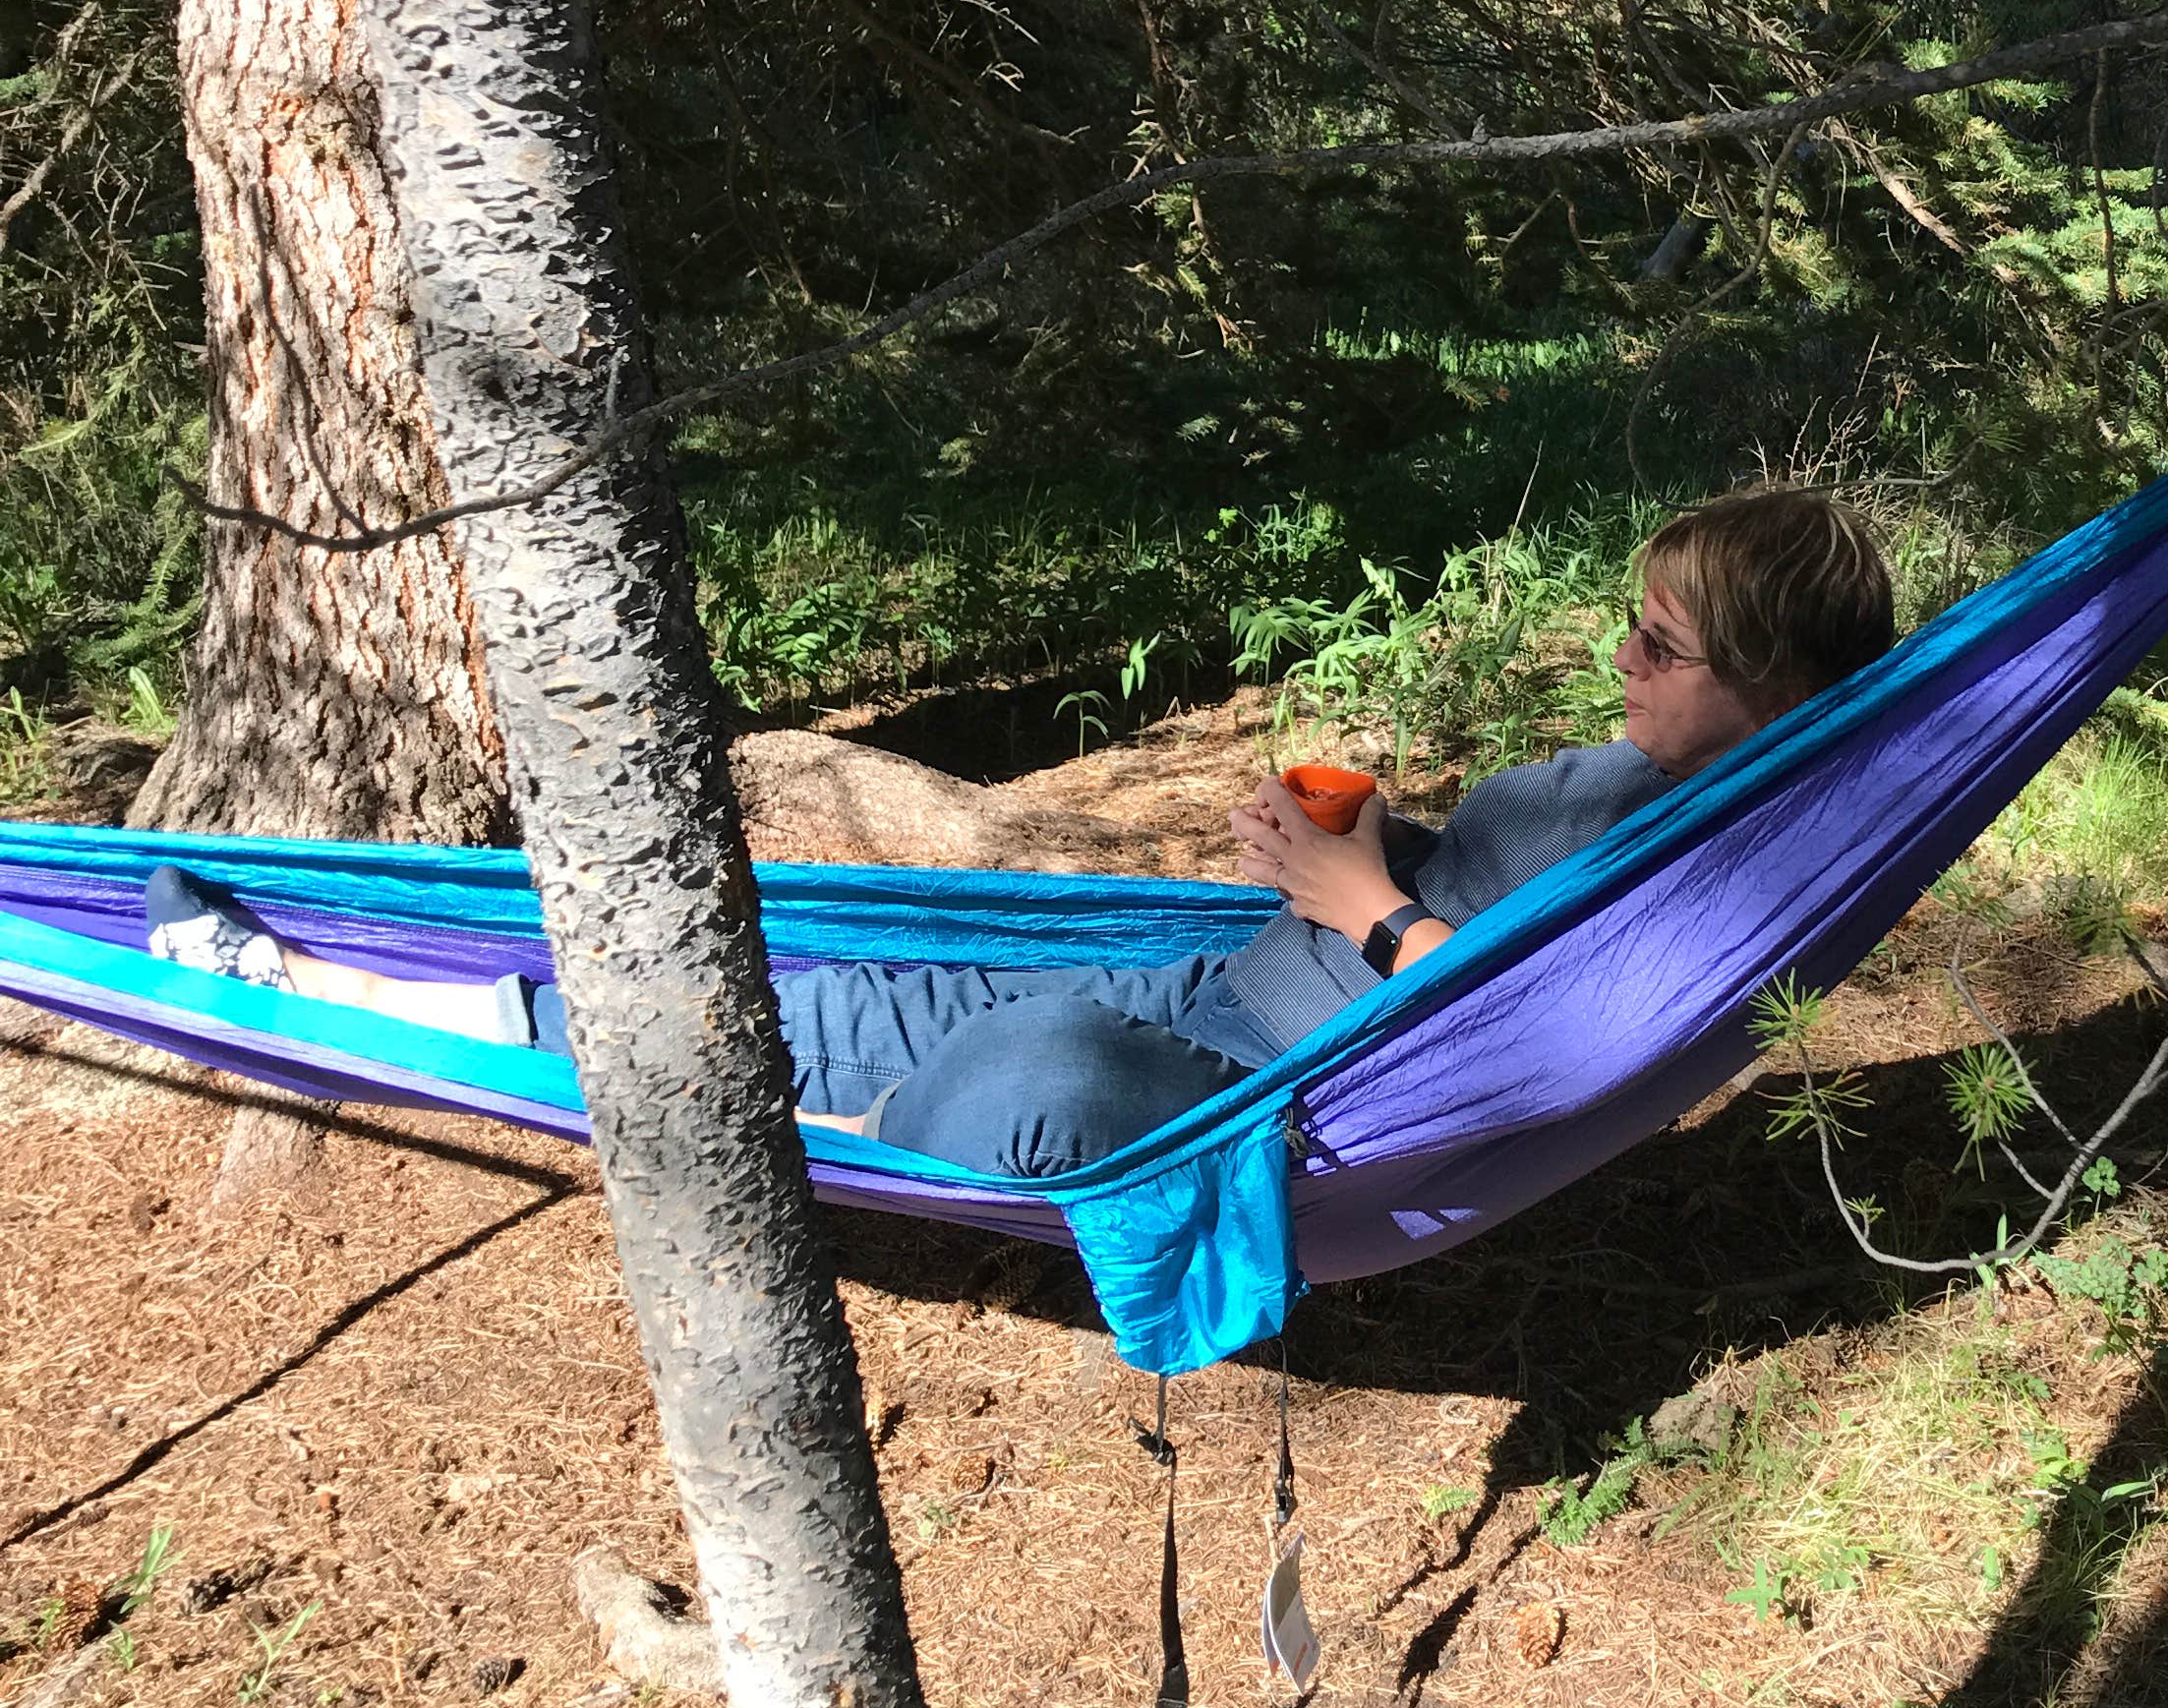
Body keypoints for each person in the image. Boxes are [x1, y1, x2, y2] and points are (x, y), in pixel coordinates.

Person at [147, 479, 1894, 1190]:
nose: (1622, 656)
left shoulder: (1720, 862)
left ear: (1764, 679)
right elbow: (1490, 905)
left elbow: (1527, 1041)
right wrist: (1371, 839)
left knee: (997, 1071)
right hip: (1216, 987)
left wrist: (1362, 899)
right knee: (823, 981)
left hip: (1256, 1080)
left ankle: (830, 1140)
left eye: (1662, 644)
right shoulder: (1659, 783)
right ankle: (332, 984)